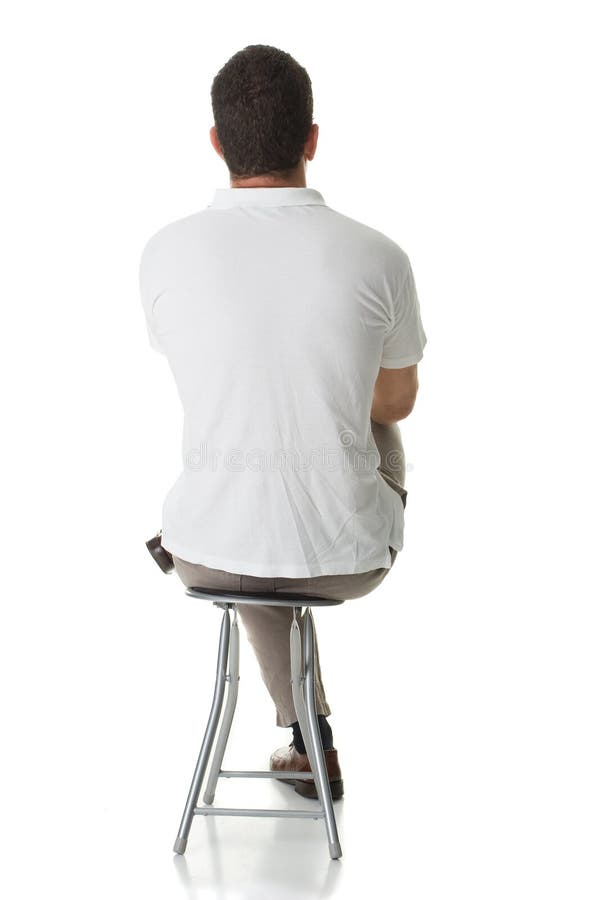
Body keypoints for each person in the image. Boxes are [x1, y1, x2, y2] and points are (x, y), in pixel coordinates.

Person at [139, 44, 427, 800]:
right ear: (312, 139)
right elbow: (396, 403)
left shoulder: (165, 252)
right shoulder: (378, 256)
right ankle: (307, 739)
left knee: (256, 525)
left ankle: (306, 737)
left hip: (207, 550)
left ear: (216, 142)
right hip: (344, 556)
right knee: (354, 431)